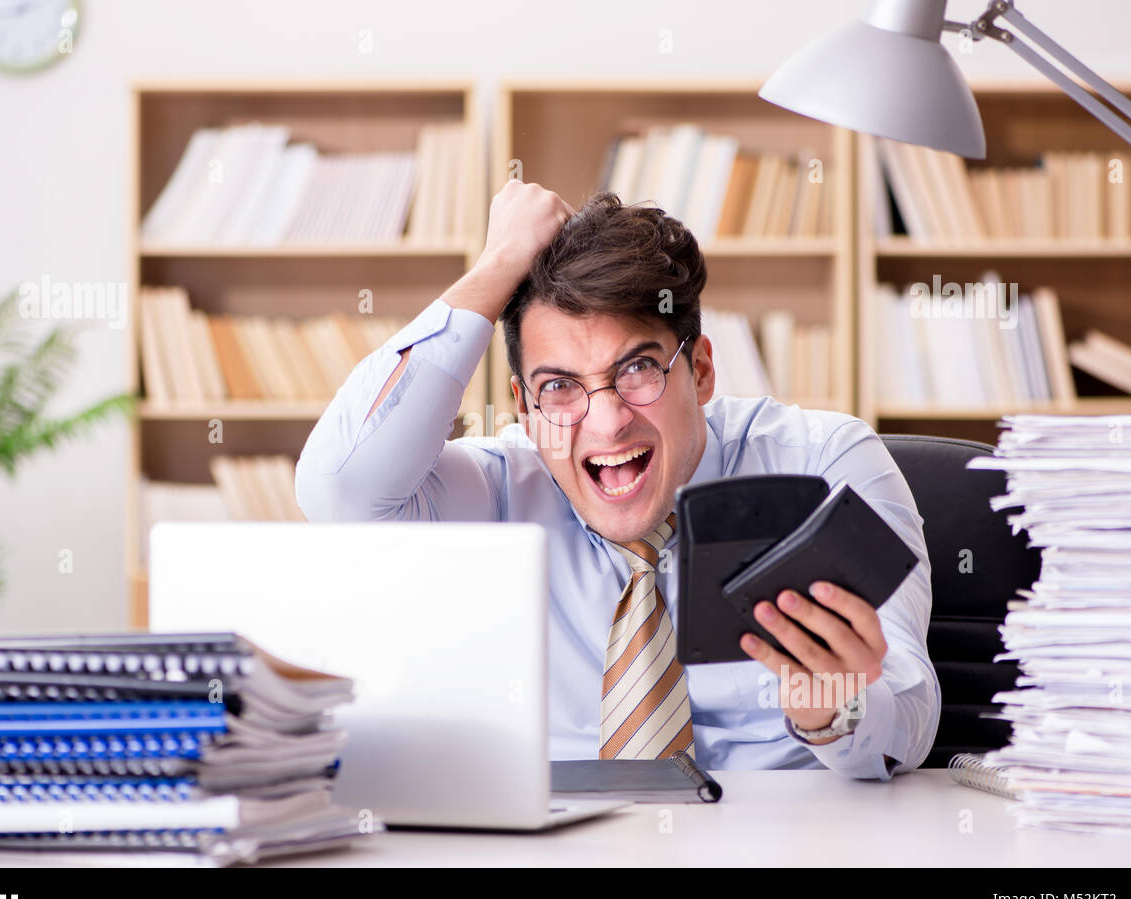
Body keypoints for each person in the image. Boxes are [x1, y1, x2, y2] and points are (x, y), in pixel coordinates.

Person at [295, 180, 938, 779]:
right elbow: (340, 490)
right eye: (559, 387)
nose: (606, 423)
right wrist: (498, 265)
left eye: (637, 370)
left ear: (703, 370)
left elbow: (909, 723)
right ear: (524, 407)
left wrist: (833, 710)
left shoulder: (824, 466)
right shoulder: (495, 493)